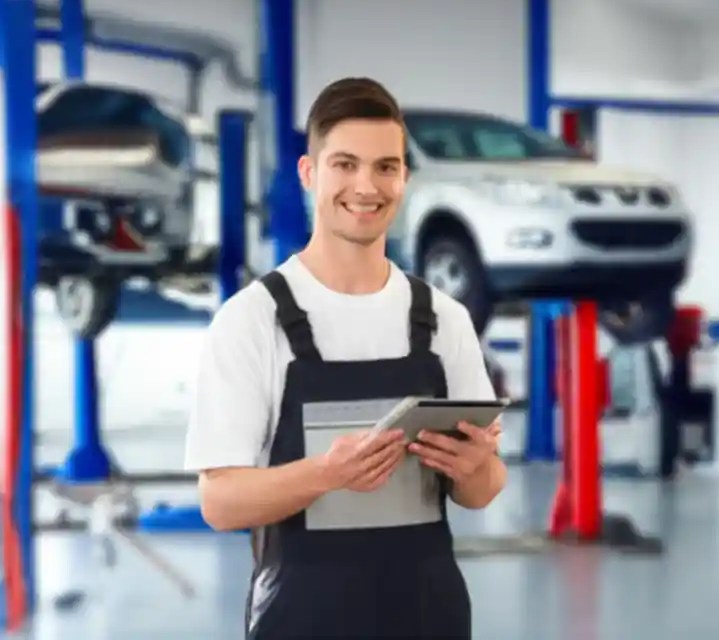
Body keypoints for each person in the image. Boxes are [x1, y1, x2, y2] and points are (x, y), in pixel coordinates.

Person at [183, 77, 506, 639]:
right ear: (310, 173)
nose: (366, 185)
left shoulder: (444, 320)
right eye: (345, 164)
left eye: (386, 166)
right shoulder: (251, 321)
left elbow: (479, 493)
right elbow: (220, 502)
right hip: (301, 620)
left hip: (430, 618)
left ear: (405, 177)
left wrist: (476, 467)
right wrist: (324, 475)